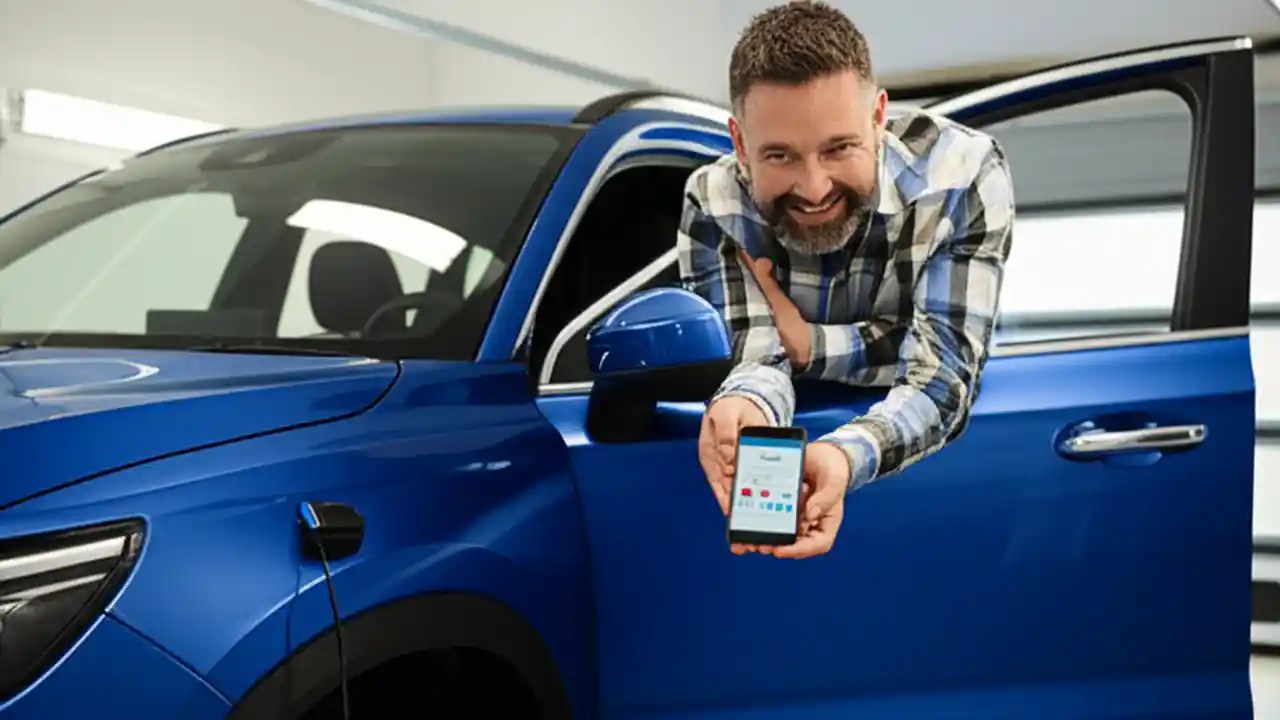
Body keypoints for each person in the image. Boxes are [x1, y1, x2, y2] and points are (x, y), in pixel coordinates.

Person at [679, 0, 1015, 560]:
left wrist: (836, 433)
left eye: (839, 148)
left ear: (878, 118)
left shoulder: (962, 179)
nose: (813, 188)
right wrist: (744, 404)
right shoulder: (715, 201)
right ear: (739, 145)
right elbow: (759, 357)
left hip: (946, 512)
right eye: (780, 155)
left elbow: (942, 377)